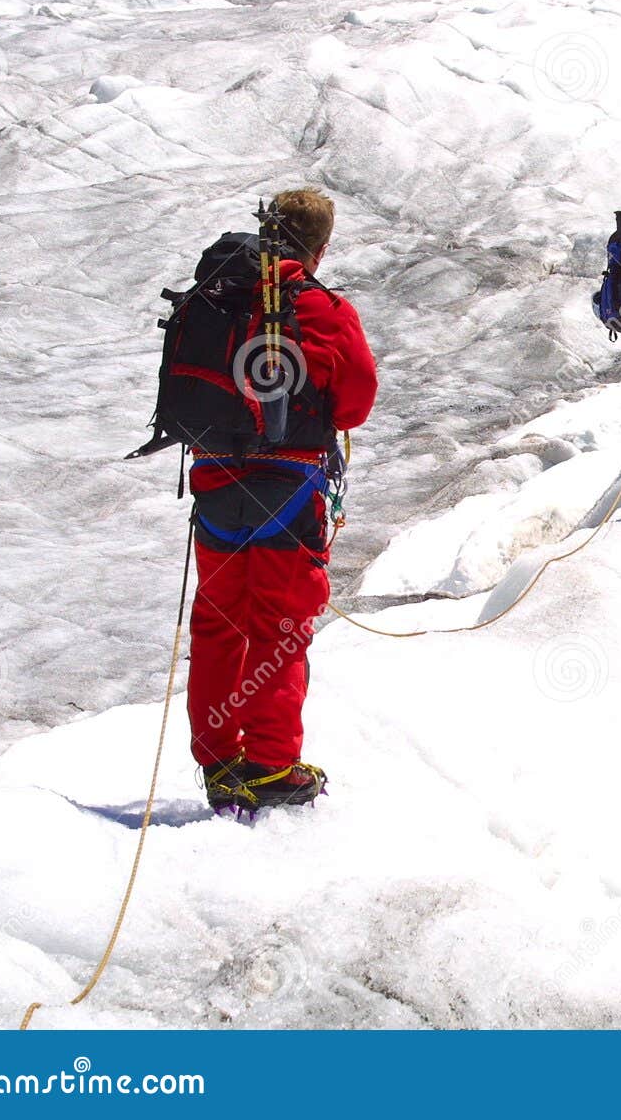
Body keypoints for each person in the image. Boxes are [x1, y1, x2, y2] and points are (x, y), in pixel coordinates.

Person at [189, 187, 378, 813]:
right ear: (319, 249)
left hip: (215, 481)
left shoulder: (214, 295)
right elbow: (353, 404)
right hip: (289, 490)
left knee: (219, 623)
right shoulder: (323, 309)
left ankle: (220, 762)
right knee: (280, 627)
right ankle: (271, 765)